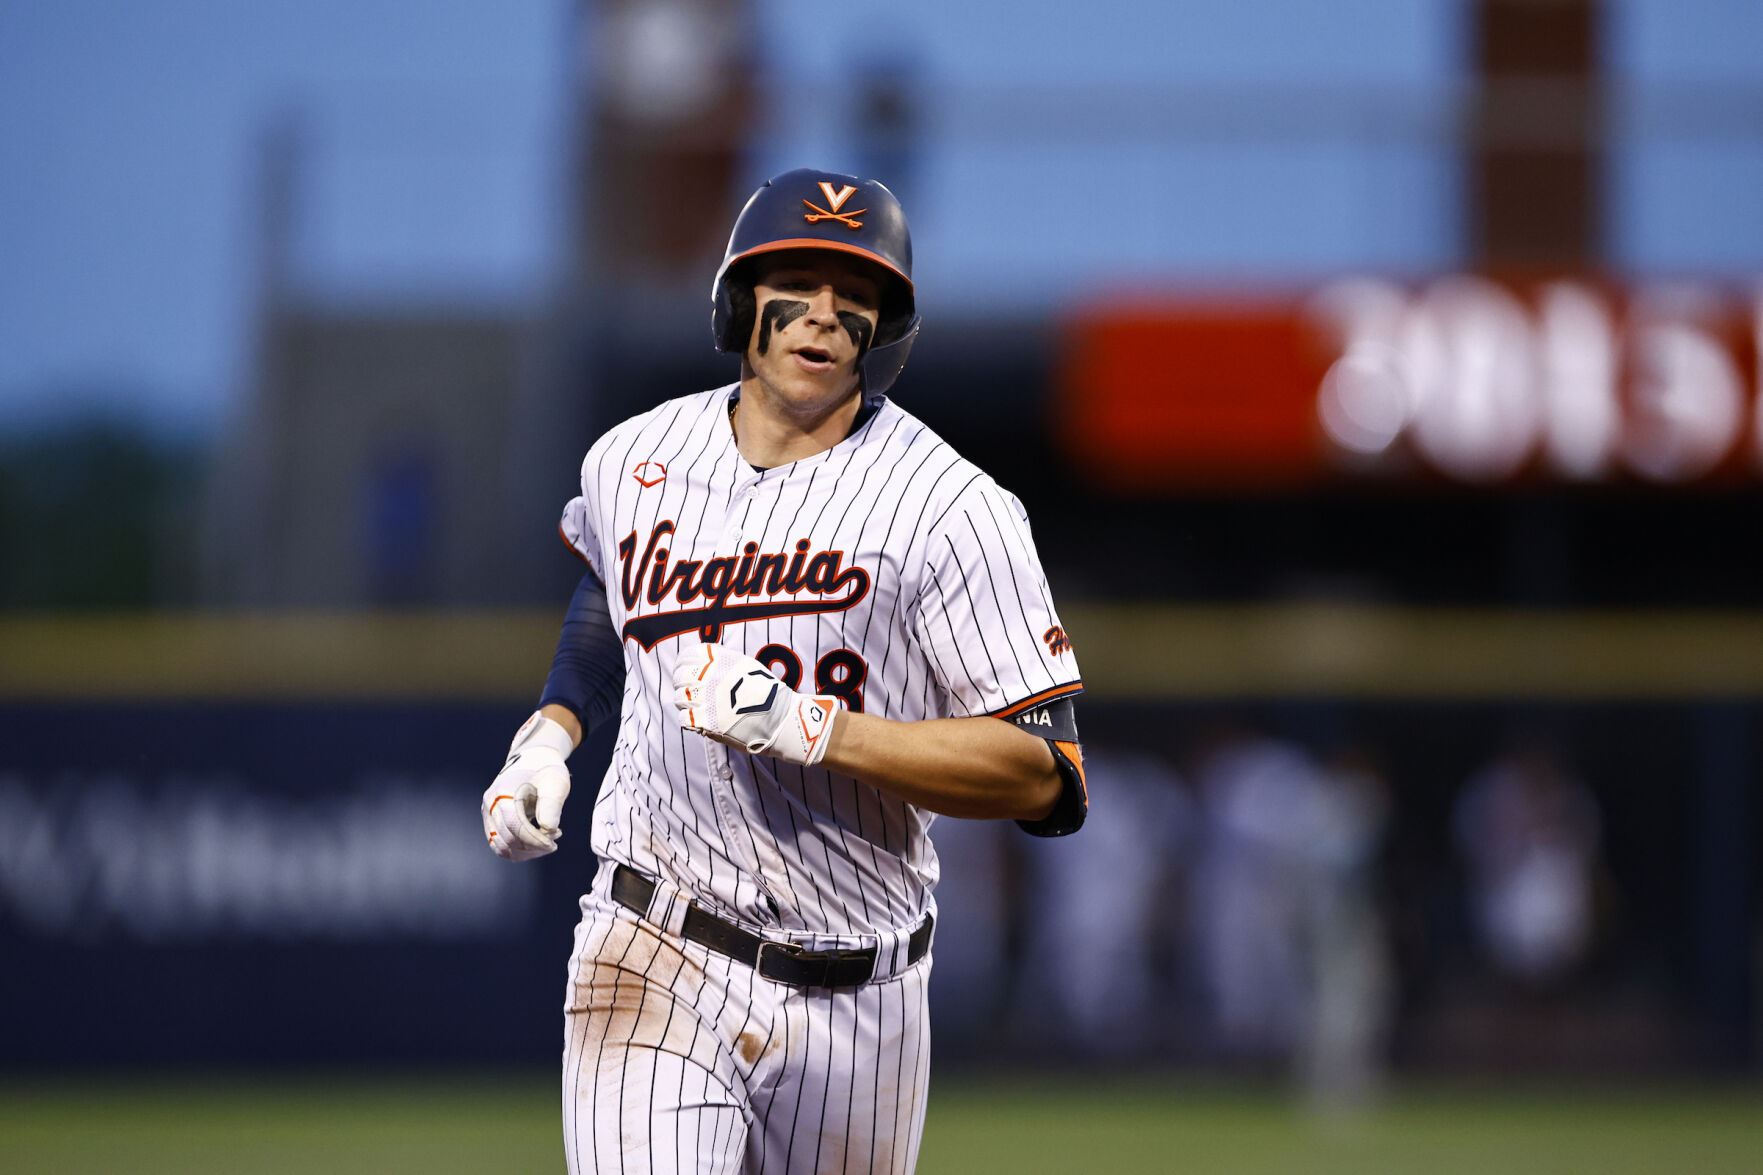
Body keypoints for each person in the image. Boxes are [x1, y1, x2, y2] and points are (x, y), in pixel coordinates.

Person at [480, 168, 1087, 1175]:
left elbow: (1045, 773)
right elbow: (606, 596)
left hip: (864, 993)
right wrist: (549, 732)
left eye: (852, 292)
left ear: (886, 325)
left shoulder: (953, 508)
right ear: (735, 300)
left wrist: (814, 727)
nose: (821, 314)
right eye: (793, 282)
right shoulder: (632, 457)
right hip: (654, 941)